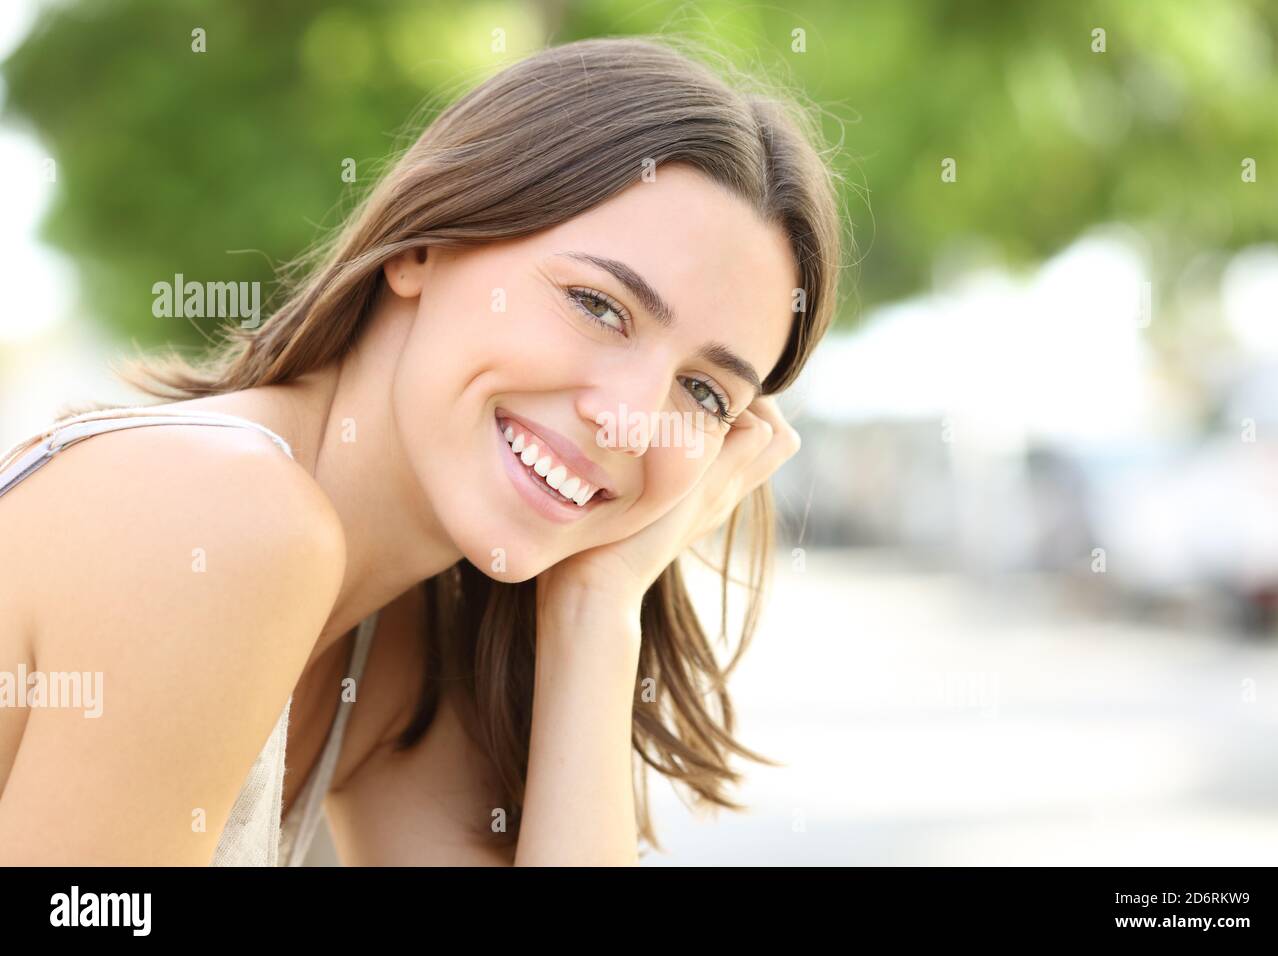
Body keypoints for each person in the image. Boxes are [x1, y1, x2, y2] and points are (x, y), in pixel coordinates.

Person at [0, 35, 843, 865]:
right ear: (424, 247)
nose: (630, 419)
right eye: (598, 305)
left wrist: (597, 609)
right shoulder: (222, 519)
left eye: (703, 393)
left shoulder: (403, 652)